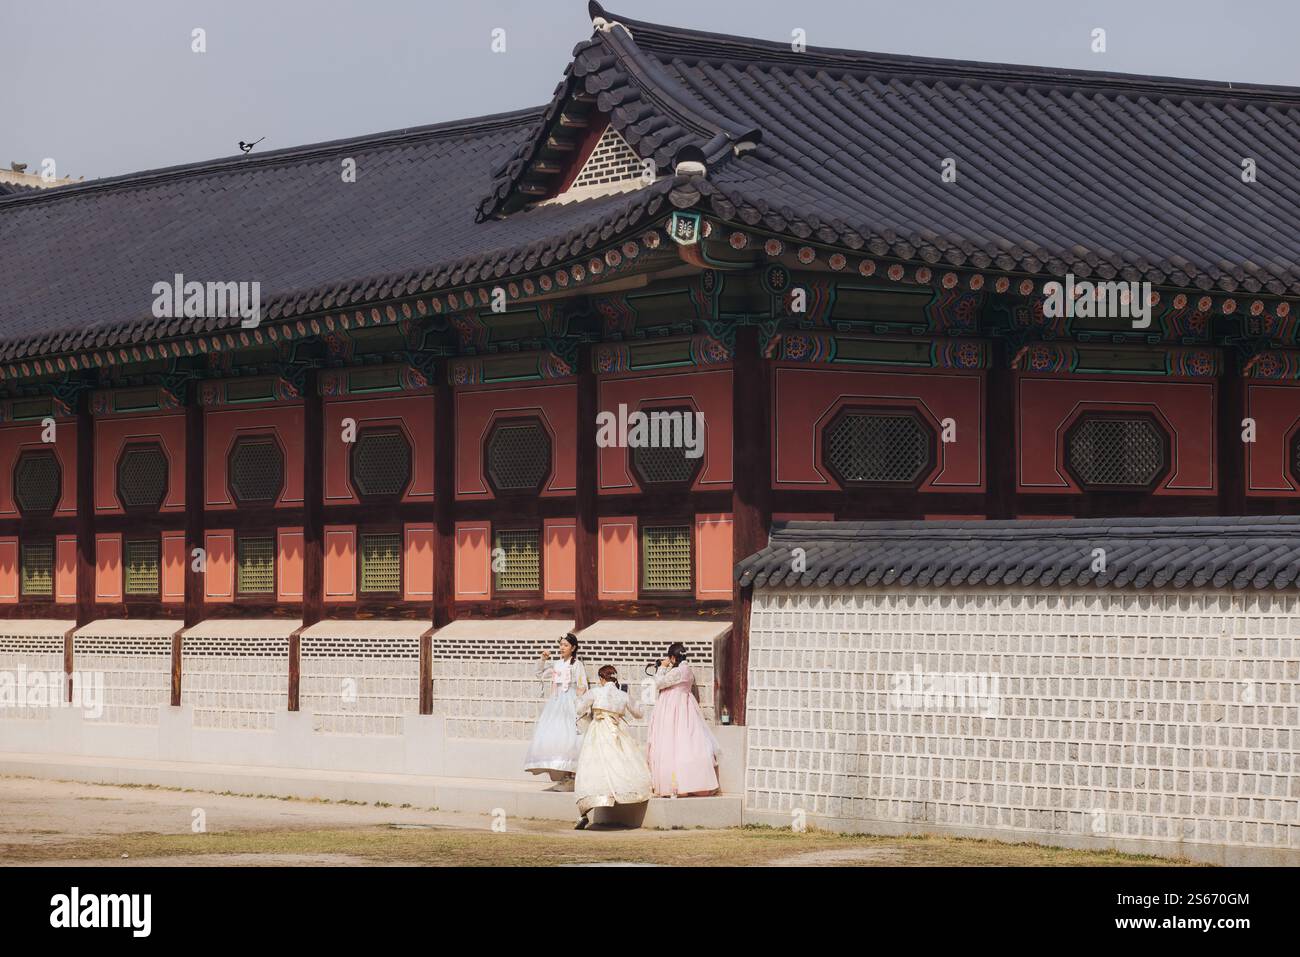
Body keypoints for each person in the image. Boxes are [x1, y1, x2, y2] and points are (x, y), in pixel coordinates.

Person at [572, 665, 652, 829]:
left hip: (599, 730)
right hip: (617, 730)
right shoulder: (623, 695)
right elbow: (639, 713)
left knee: (594, 766)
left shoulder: (595, 692)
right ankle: (622, 794)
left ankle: (584, 813)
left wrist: (580, 699)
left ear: (601, 678)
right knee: (620, 762)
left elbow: (579, 708)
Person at [646, 642, 720, 797]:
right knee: (687, 741)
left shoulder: (677, 671)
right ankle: (693, 782)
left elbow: (659, 683)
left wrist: (661, 667)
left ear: (673, 657)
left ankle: (673, 784)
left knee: (671, 743)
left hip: (672, 708)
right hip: (685, 706)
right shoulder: (688, 670)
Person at [523, 633, 588, 789]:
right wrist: (543, 659)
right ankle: (563, 775)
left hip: (570, 701)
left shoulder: (576, 664)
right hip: (556, 702)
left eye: (566, 645)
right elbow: (539, 673)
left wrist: (580, 705)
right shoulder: (556, 664)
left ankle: (572, 775)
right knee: (555, 736)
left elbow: (582, 684)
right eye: (561, 645)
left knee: (570, 736)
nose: (562, 648)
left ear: (573, 648)